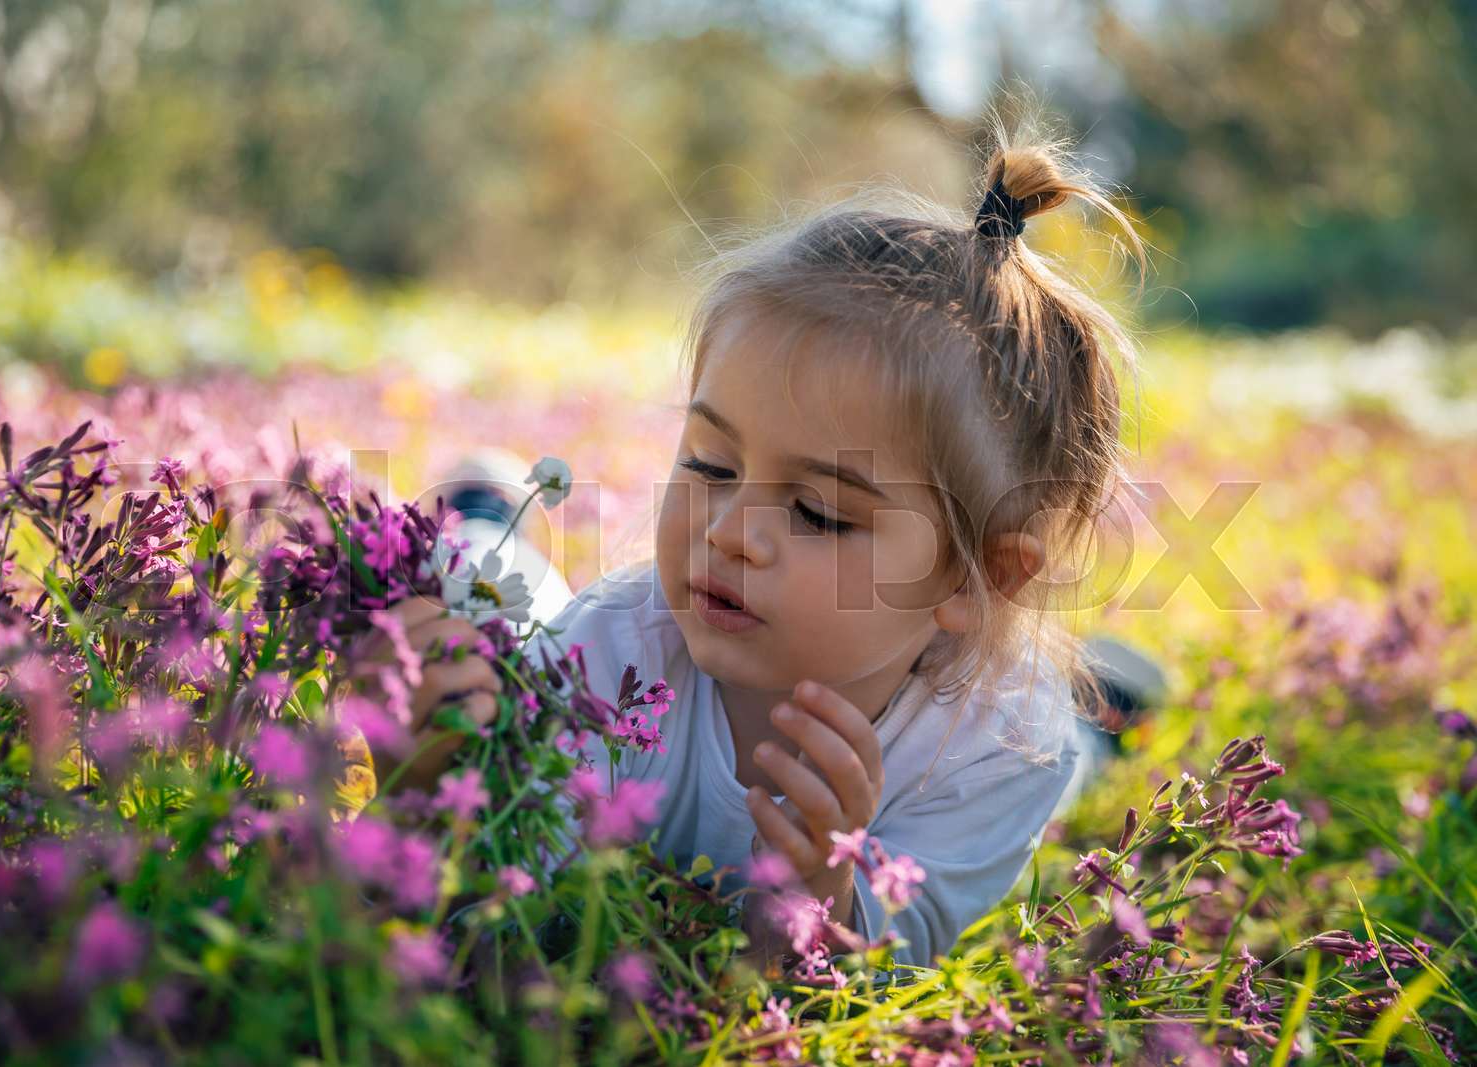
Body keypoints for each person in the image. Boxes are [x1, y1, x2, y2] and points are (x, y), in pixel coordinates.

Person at [374, 122, 1158, 969]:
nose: (728, 531)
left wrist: (823, 900)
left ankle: (1104, 705)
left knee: (1069, 749)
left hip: (1024, 716)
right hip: (574, 631)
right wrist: (417, 788)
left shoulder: (997, 748)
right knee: (498, 609)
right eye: (710, 463)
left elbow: (904, 948)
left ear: (981, 577)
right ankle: (490, 512)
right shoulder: (609, 653)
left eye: (818, 512)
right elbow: (500, 890)